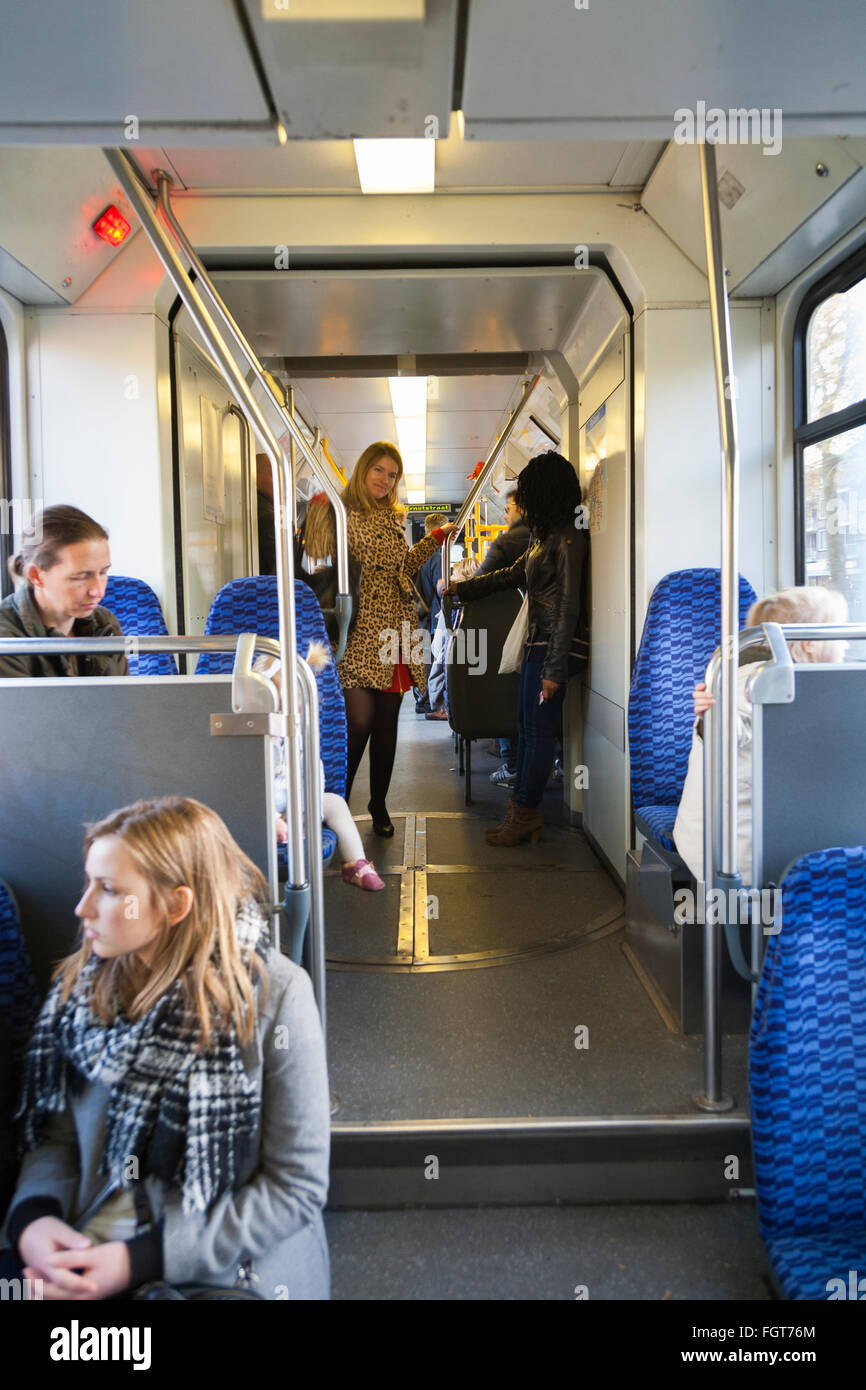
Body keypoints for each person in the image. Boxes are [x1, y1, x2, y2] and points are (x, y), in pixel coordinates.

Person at [0, 796, 331, 1300]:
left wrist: (139, 1260)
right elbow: (59, 1138)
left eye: (108, 889)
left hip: (219, 1269)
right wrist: (34, 1218)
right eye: (88, 882)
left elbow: (294, 1188)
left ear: (177, 905)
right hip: (87, 1234)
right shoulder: (85, 985)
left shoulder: (278, 997)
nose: (81, 907)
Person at [302, 443, 456, 837]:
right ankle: (335, 802)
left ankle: (379, 804)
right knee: (358, 721)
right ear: (363, 468)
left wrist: (434, 538)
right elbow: (316, 561)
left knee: (387, 723)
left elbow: (402, 566)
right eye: (379, 470)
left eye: (392, 475)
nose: (385, 480)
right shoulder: (338, 513)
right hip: (356, 628)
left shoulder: (394, 518)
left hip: (394, 627)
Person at [448, 451, 589, 846]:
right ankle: (521, 810)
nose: (522, 503)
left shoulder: (567, 539)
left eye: (527, 493)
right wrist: (463, 588)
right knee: (526, 730)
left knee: (539, 732)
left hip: (551, 651)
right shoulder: (545, 538)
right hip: (535, 644)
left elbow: (568, 607)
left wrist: (554, 670)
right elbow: (509, 575)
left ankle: (526, 813)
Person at [673, 586, 849, 885]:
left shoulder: (791, 683)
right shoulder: (754, 683)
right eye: (839, 637)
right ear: (808, 644)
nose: (846, 645)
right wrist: (712, 717)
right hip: (736, 851)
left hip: (752, 835)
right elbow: (729, 731)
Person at [254, 646, 385, 891]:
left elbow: (313, 774)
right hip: (260, 807)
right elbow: (250, 787)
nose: (289, 720)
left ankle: (355, 862)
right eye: (281, 712)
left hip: (294, 802)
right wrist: (273, 819)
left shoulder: (298, 732)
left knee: (335, 803)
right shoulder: (255, 740)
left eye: (295, 711)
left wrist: (305, 809)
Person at [0, 504, 128, 678]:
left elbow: (122, 701)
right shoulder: (6, 641)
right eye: (80, 577)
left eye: (103, 572)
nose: (98, 592)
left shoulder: (105, 623)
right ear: (36, 575)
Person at [476, 490, 531, 781]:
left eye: (508, 508)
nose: (506, 514)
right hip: (536, 630)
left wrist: (460, 587)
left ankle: (511, 764)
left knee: (505, 693)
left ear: (521, 507)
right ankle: (558, 760)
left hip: (504, 628)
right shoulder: (544, 538)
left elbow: (482, 580)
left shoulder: (507, 541)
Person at [425, 555, 479, 721]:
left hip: (457, 682)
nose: (450, 579)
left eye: (453, 575)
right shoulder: (485, 608)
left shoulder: (452, 611)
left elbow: (439, 651)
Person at [414, 512, 449, 714]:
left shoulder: (417, 555)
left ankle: (421, 700)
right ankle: (430, 704)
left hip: (417, 617)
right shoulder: (437, 556)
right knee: (431, 661)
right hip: (431, 618)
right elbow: (441, 588)